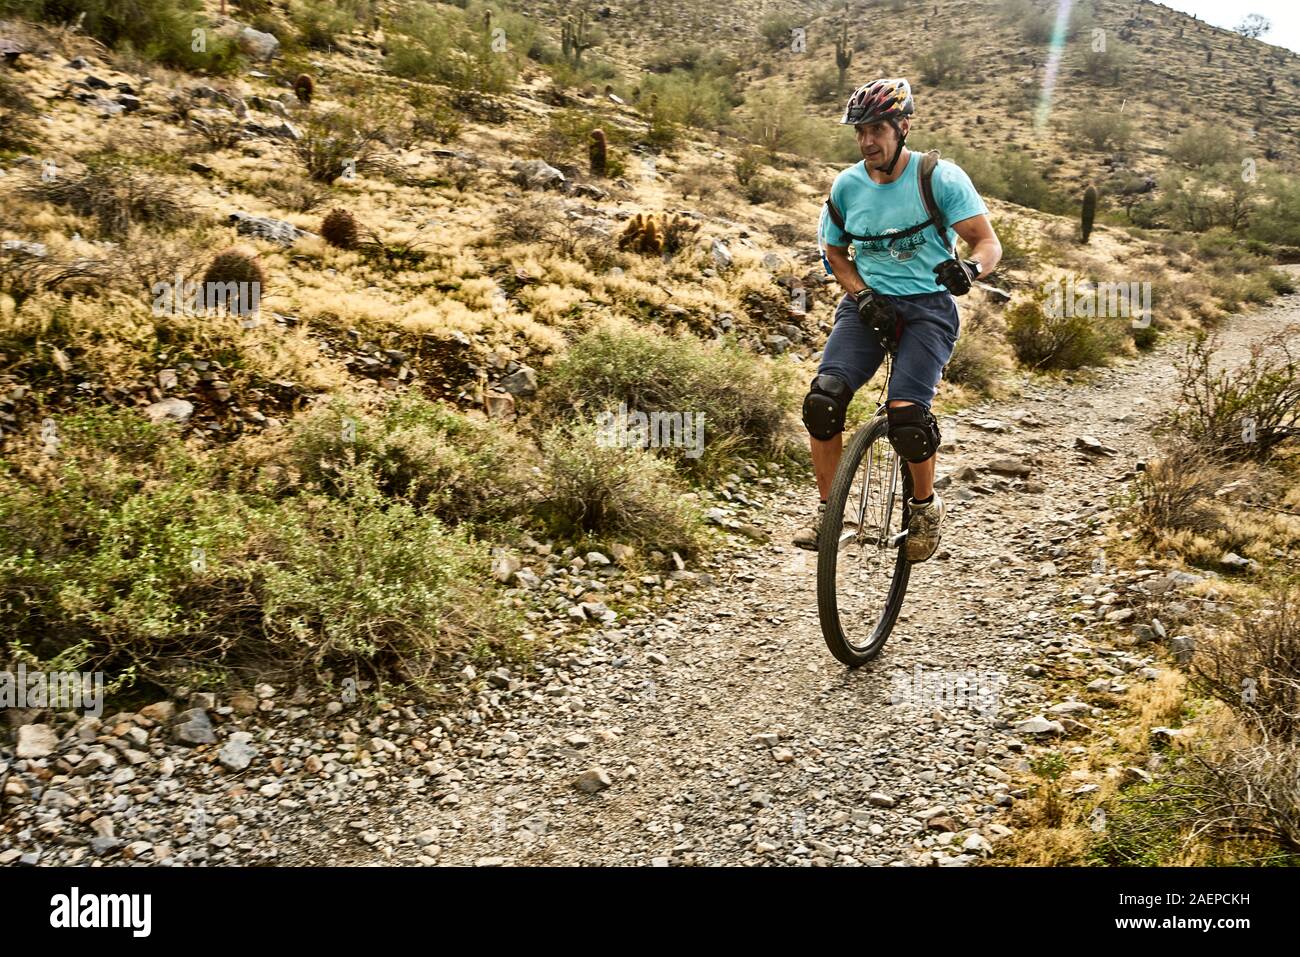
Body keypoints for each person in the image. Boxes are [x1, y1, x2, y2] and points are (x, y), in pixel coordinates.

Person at [793, 77, 1002, 561]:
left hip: (928, 309)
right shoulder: (847, 186)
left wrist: (969, 268)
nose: (868, 141)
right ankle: (830, 512)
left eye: (878, 129)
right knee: (823, 402)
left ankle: (924, 507)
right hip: (869, 307)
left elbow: (987, 242)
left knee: (907, 417)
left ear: (903, 126)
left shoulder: (939, 178)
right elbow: (834, 250)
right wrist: (861, 294)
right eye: (860, 131)